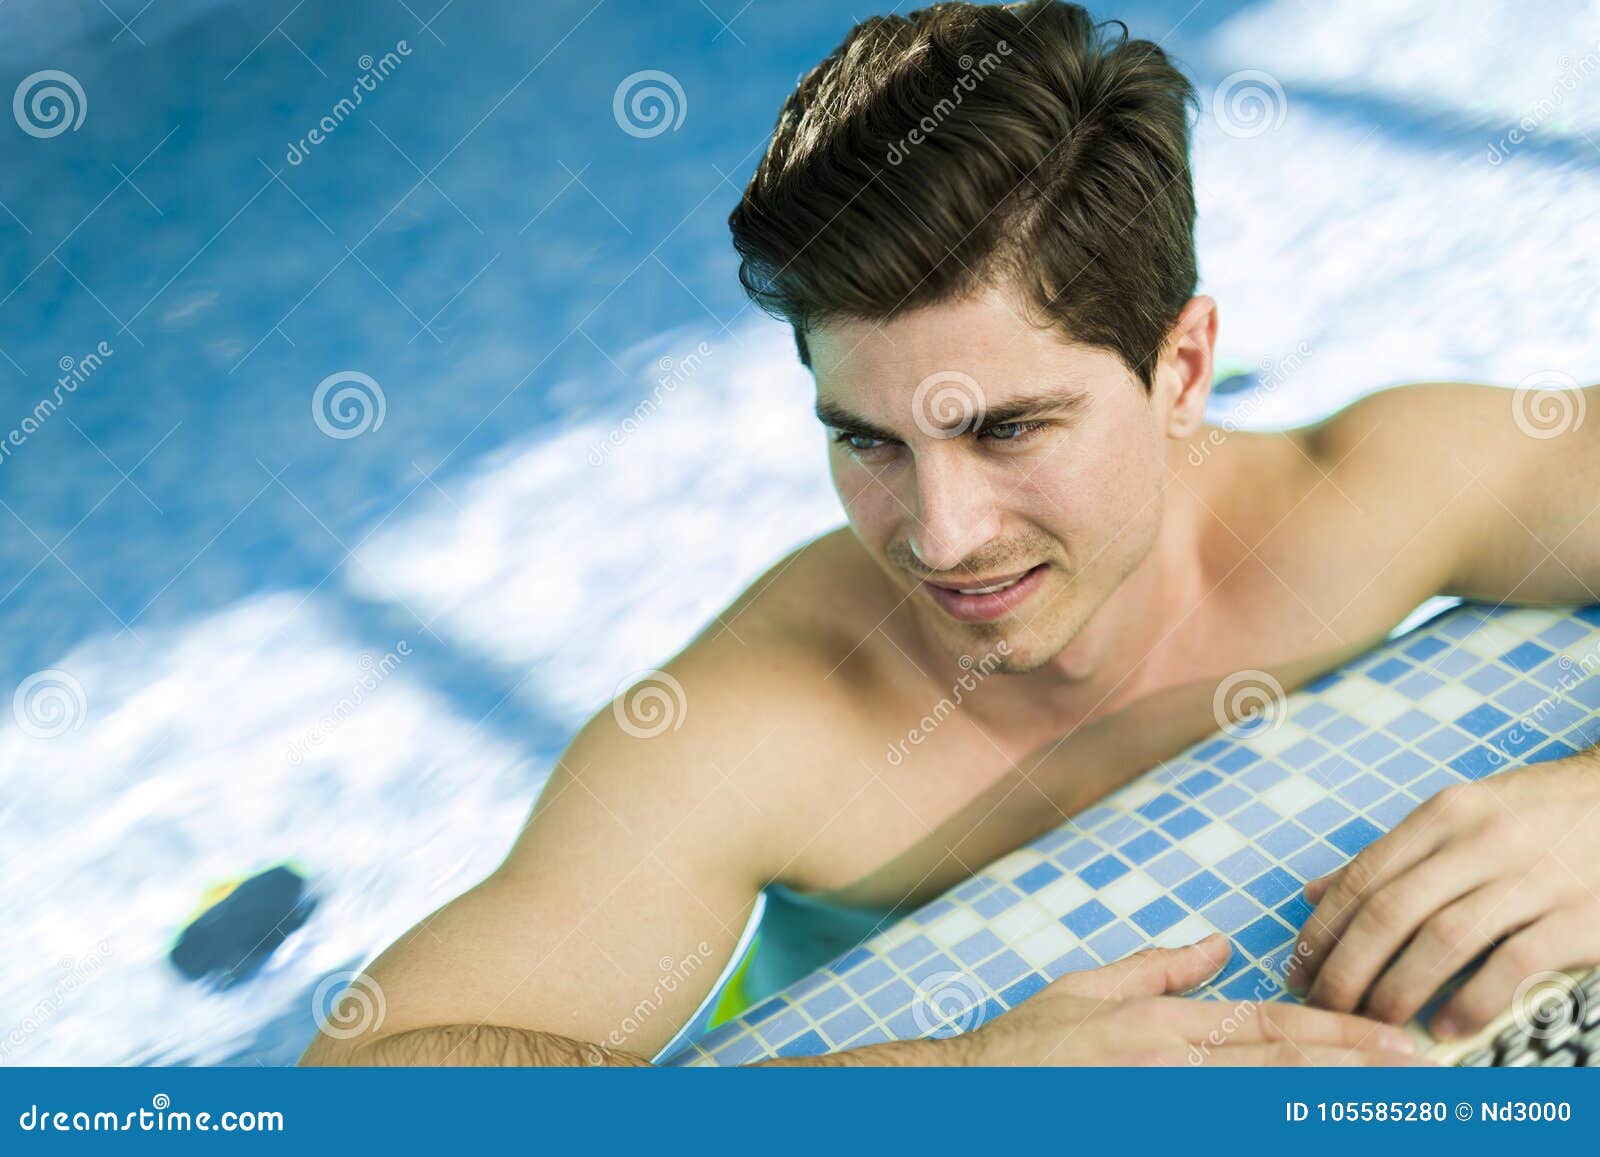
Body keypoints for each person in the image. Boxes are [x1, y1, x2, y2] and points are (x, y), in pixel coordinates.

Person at [300, 0, 1599, 1067]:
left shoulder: (1370, 496)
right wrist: (952, 1080)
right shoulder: (755, 726)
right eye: (866, 439)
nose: (941, 535)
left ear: (1184, 368)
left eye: (1008, 428)